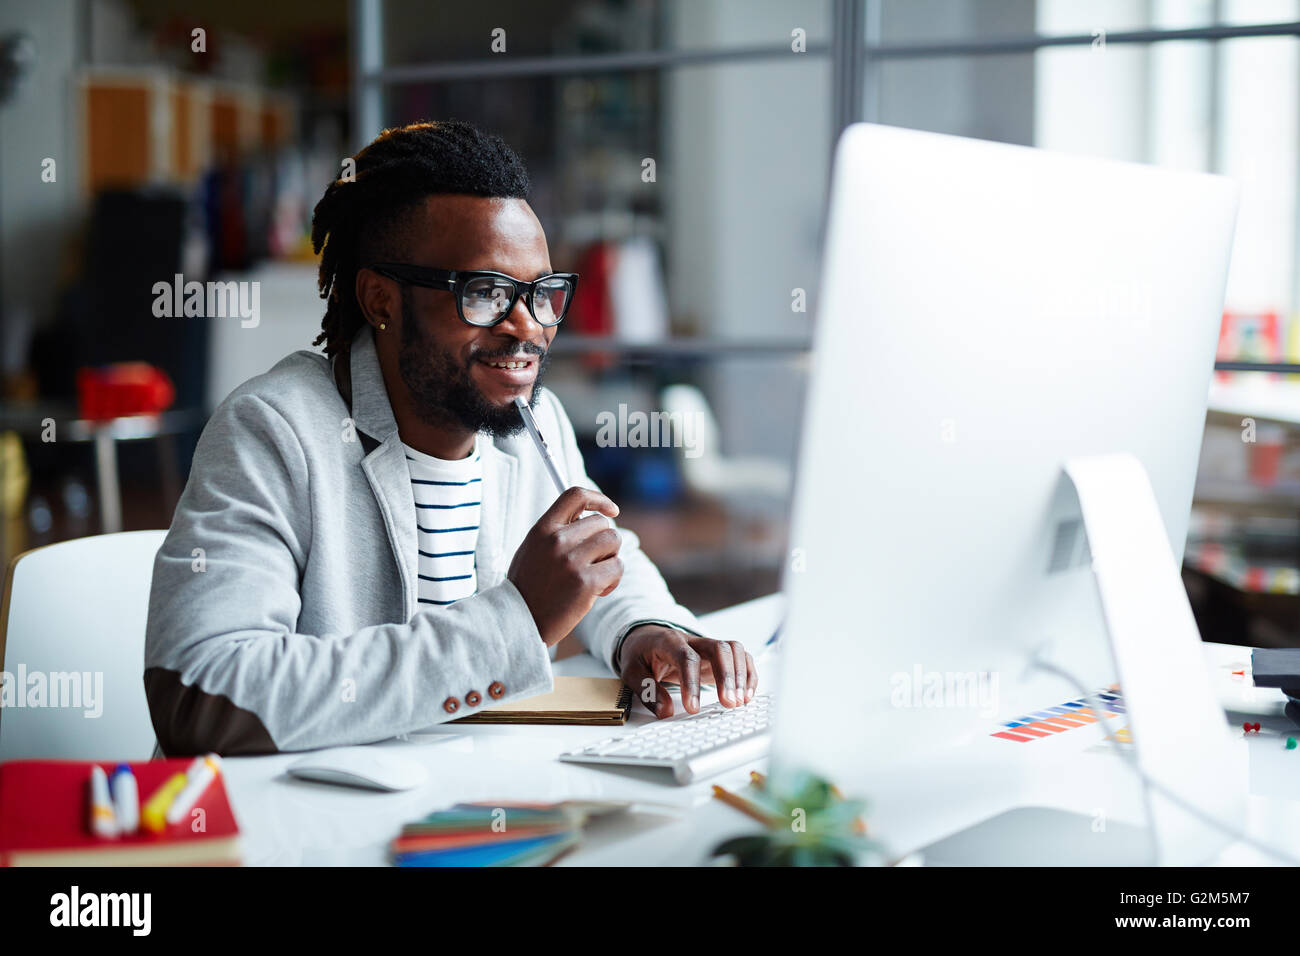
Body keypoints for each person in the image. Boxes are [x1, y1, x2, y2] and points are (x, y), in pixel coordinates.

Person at [144, 120, 757, 756]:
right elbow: (200, 694)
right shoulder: (272, 432)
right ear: (380, 299)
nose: (528, 327)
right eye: (486, 291)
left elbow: (598, 558)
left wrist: (645, 630)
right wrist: (514, 620)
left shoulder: (530, 421)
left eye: (543, 293)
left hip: (462, 800)